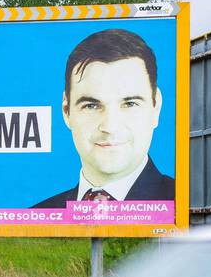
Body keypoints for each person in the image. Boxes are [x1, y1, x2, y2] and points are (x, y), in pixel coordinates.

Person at [33, 28, 173, 208]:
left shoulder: (181, 205)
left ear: (156, 107)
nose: (110, 126)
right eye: (91, 106)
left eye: (129, 104)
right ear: (66, 110)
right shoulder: (40, 214)